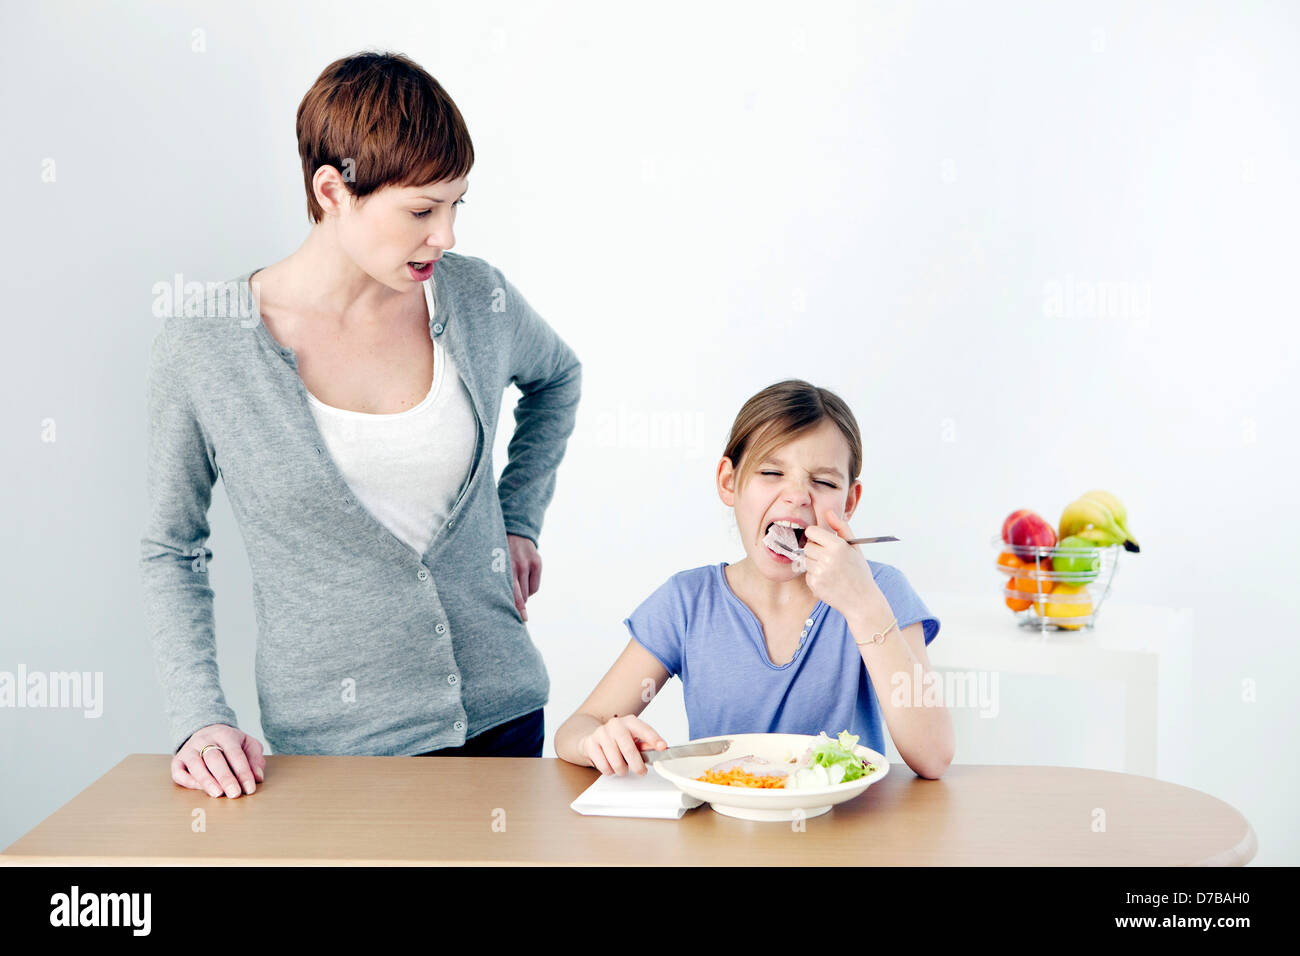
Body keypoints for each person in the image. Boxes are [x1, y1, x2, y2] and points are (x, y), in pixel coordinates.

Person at [140, 51, 580, 799]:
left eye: (455, 206)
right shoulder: (207, 344)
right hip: (337, 755)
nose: (443, 236)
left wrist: (519, 520)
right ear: (332, 189)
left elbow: (557, 378)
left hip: (506, 721)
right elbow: (170, 549)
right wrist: (198, 717)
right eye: (419, 210)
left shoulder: (474, 299)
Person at [554, 380, 954, 779]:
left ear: (849, 502)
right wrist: (597, 741)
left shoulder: (879, 591)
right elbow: (578, 727)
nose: (797, 496)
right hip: (721, 832)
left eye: (825, 482)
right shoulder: (687, 603)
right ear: (729, 482)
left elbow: (933, 756)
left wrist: (863, 604)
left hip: (844, 833)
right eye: (770, 471)